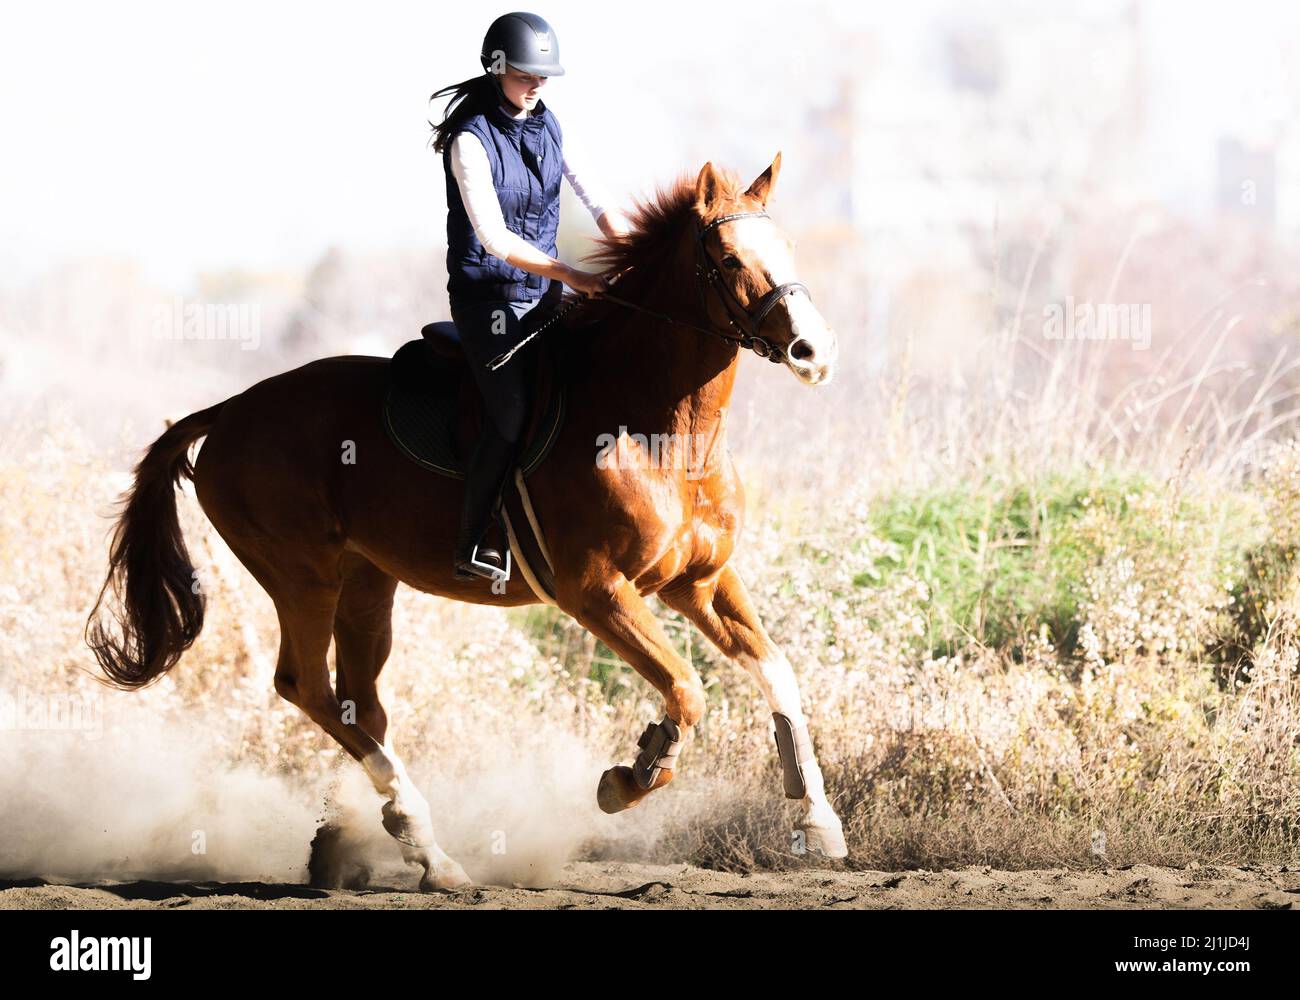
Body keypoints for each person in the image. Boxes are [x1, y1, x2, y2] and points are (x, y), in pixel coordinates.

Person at [430, 11, 627, 583]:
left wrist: (636, 248)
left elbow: (598, 199)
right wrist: (572, 274)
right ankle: (470, 541)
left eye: (544, 75)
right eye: (524, 74)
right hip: (486, 299)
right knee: (513, 414)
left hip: (540, 291)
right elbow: (493, 239)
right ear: (496, 67)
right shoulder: (469, 139)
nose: (537, 84)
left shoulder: (551, 124)